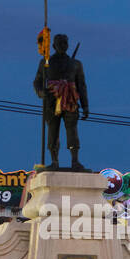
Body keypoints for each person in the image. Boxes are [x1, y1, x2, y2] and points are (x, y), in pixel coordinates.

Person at [33, 32, 89, 171]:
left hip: (70, 100)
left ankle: (75, 161)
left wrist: (85, 105)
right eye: (60, 43)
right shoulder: (46, 63)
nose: (63, 46)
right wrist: (41, 92)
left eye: (65, 43)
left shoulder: (76, 64)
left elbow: (81, 85)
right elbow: (37, 81)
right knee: (53, 131)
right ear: (53, 45)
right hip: (51, 100)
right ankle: (54, 161)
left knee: (72, 130)